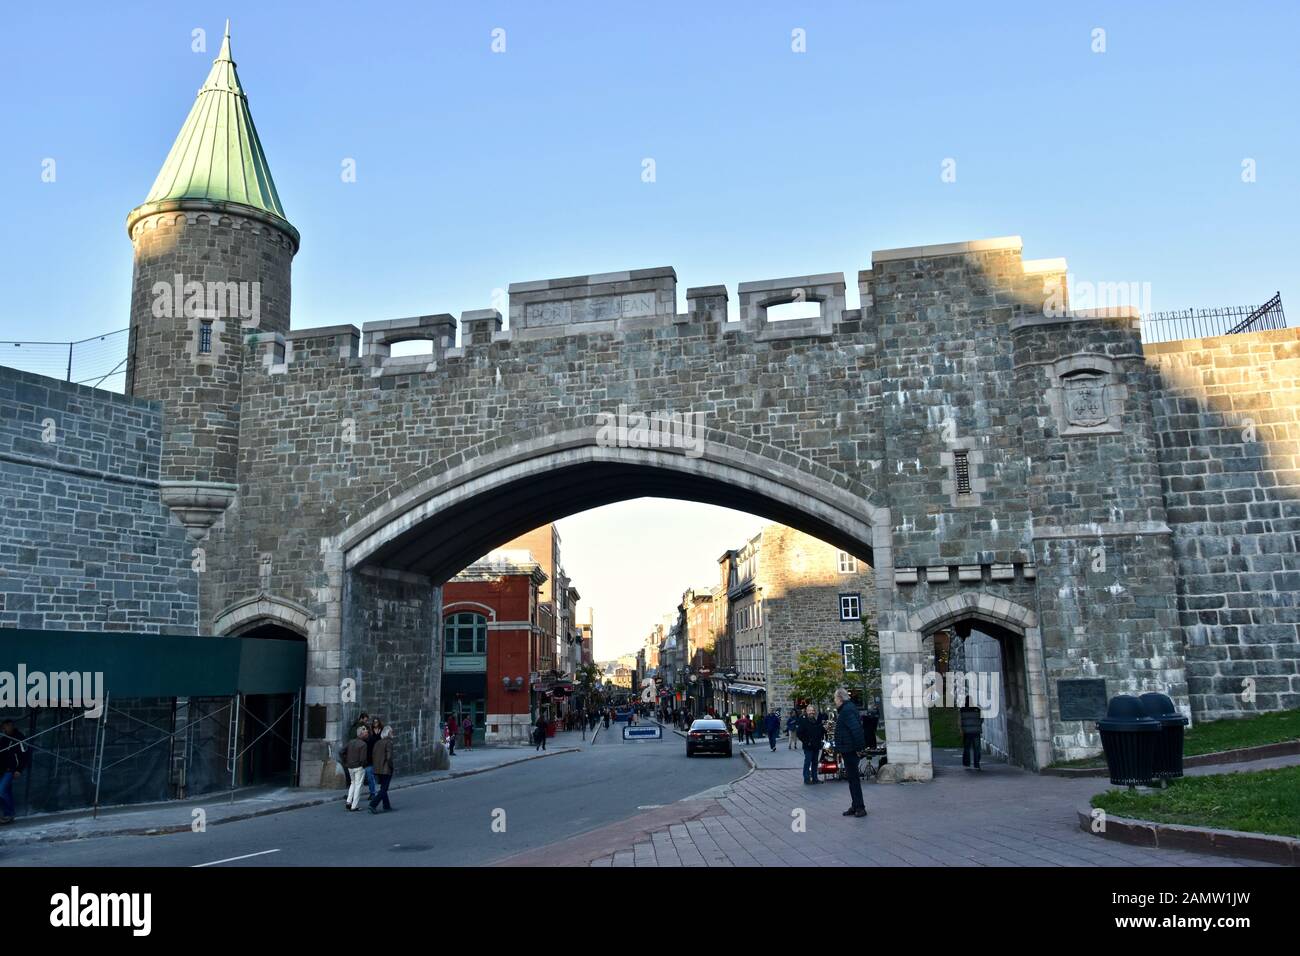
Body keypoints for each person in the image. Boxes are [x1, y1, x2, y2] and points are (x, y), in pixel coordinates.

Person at [833, 688, 867, 818]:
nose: (834, 701)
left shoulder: (847, 711)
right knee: (852, 779)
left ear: (840, 699)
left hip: (851, 750)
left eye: (835, 699)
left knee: (854, 780)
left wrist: (859, 749)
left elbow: (856, 730)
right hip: (848, 749)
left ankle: (860, 807)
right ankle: (855, 804)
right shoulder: (847, 709)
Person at [0, 719, 30, 824]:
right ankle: (8, 815)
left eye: (5, 727)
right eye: (3, 727)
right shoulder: (4, 739)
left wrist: (19, 770)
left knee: (1, 791)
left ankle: (9, 813)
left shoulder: (19, 738)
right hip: (3, 770)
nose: (4, 729)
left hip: (11, 769)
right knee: (6, 792)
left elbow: (25, 755)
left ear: (11, 726)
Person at [368, 725, 395, 813]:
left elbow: (374, 755)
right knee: (384, 789)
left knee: (383, 787)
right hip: (386, 769)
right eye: (391, 732)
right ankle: (373, 804)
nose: (392, 733)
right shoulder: (389, 743)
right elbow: (389, 757)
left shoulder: (377, 743)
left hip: (378, 769)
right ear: (388, 733)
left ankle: (386, 805)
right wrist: (391, 766)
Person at [796, 705, 824, 784]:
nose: (812, 712)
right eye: (810, 710)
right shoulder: (803, 720)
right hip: (808, 746)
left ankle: (815, 778)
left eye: (813, 711)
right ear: (807, 711)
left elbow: (819, 731)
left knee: (815, 762)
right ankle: (806, 778)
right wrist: (806, 741)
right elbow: (799, 733)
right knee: (807, 762)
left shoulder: (815, 720)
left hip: (816, 745)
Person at [344, 726, 369, 811]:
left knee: (353, 783)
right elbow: (363, 759)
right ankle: (354, 805)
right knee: (358, 785)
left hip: (350, 766)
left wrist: (346, 760)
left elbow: (341, 751)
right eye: (365, 732)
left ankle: (348, 802)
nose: (367, 734)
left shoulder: (351, 742)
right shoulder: (363, 744)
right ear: (361, 734)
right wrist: (363, 765)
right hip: (358, 767)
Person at [959, 698, 983, 771]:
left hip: (967, 732)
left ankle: (967, 763)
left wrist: (961, 729)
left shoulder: (962, 710)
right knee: (977, 748)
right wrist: (978, 725)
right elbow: (982, 719)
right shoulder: (977, 709)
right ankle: (976, 764)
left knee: (967, 748)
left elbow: (960, 721)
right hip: (976, 731)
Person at [365, 718, 384, 802]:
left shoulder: (382, 731)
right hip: (371, 757)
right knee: (370, 775)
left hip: (379, 755)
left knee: (380, 775)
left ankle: (382, 791)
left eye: (377, 721)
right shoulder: (371, 732)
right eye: (374, 722)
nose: (375, 723)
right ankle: (372, 793)